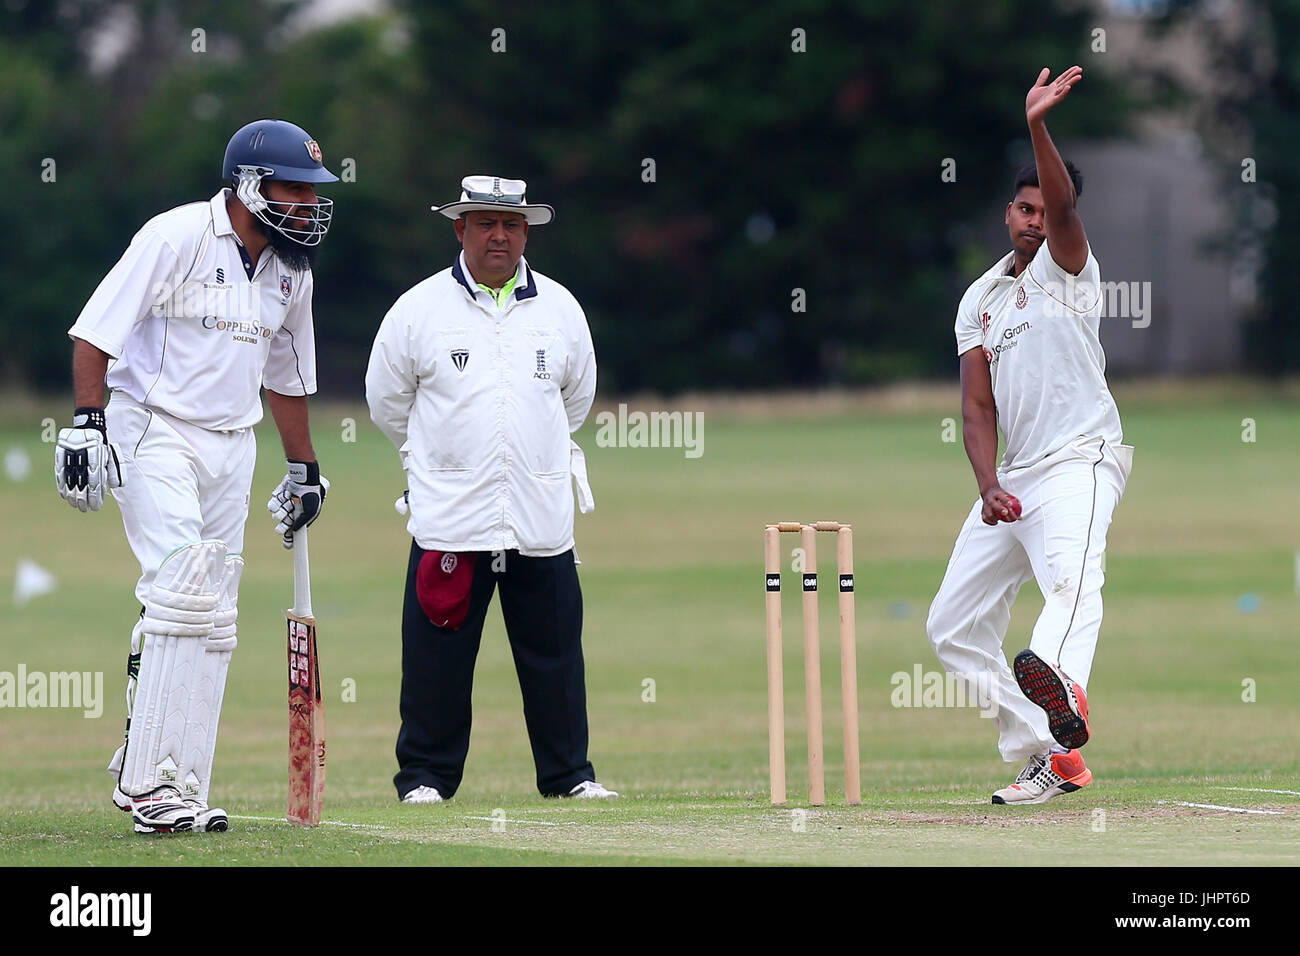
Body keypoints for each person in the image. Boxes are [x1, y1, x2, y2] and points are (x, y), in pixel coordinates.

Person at [57, 118, 338, 833]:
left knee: (214, 618)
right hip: (154, 427)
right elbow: (96, 330)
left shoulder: (290, 272)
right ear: (248, 185)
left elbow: (287, 376)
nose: (308, 204)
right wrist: (89, 422)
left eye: (313, 192)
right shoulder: (175, 235)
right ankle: (149, 787)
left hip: (232, 443)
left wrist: (304, 467)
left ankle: (182, 777)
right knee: (182, 590)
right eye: (294, 189)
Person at [366, 175, 615, 804]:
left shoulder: (560, 308)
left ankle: (569, 777)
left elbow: (575, 400)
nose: (498, 235)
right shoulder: (419, 309)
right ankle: (424, 777)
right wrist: (441, 458)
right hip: (452, 518)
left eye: (510, 224)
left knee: (554, 657)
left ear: (526, 231)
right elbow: (387, 404)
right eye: (484, 223)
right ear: (460, 229)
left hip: (539, 517)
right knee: (436, 662)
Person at [925, 68, 1134, 805]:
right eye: (1024, 208)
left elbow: (1066, 206)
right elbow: (976, 407)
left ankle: (1059, 680)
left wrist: (1038, 125)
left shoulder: (1070, 268)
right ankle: (1052, 748)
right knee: (950, 627)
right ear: (1006, 211)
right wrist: (987, 485)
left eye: (1046, 210)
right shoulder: (979, 298)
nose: (1035, 220)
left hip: (1081, 459)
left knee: (1074, 587)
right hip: (1014, 476)